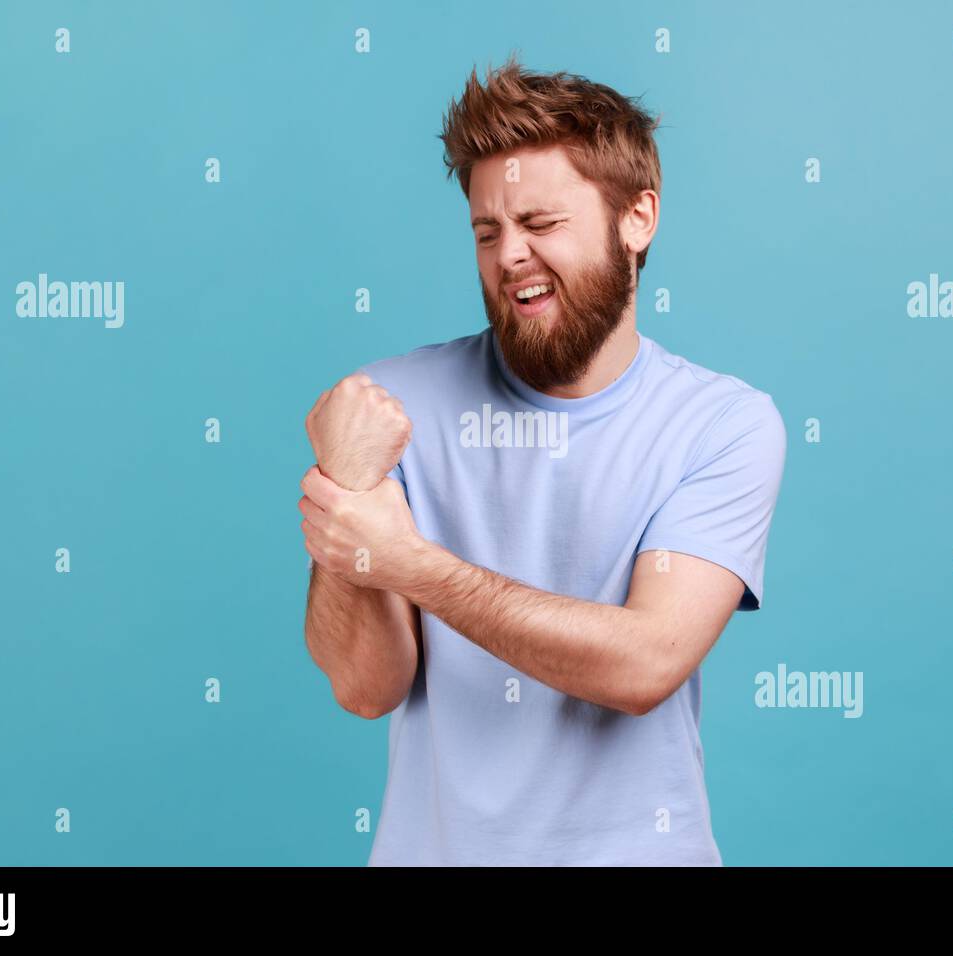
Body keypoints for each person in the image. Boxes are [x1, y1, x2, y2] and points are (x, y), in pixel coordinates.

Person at [299, 54, 787, 866]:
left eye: (541, 224)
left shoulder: (722, 425)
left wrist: (407, 563)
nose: (510, 256)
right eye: (487, 232)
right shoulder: (391, 408)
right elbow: (364, 687)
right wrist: (345, 485)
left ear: (638, 218)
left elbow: (644, 664)